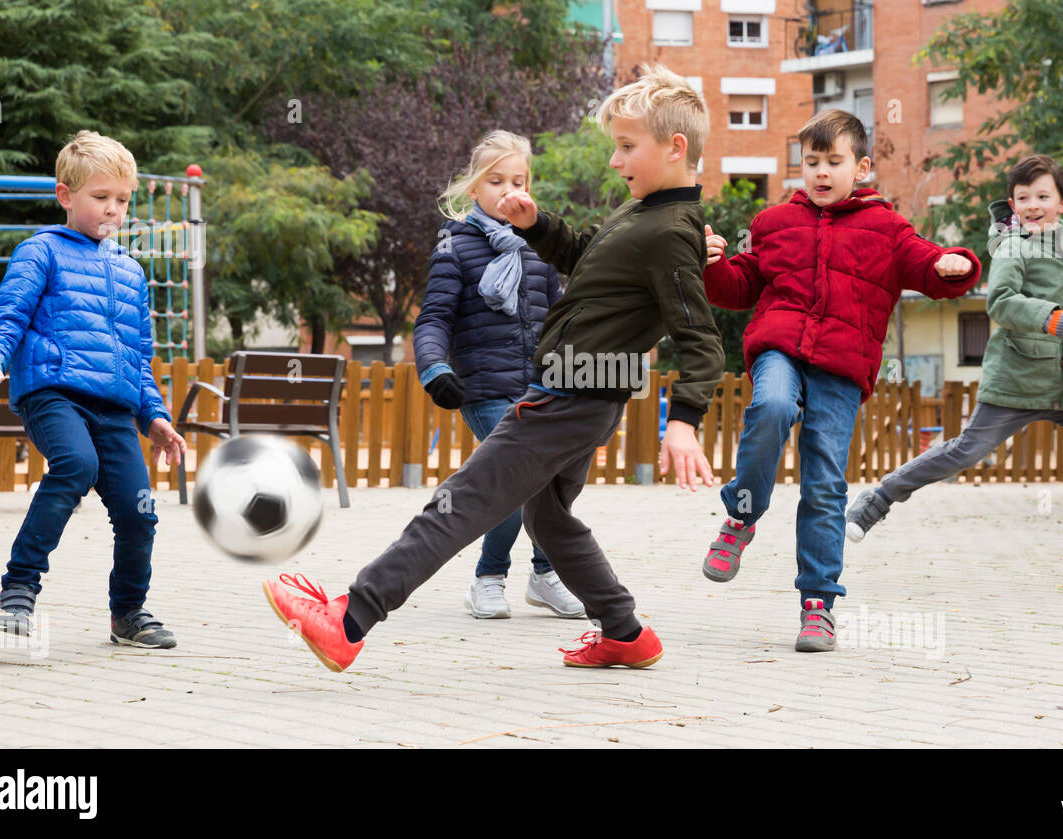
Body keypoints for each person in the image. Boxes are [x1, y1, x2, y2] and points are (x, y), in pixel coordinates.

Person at [263, 64, 725, 673]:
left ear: (676, 148)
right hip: (584, 398)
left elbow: (701, 338)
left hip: (568, 398)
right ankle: (625, 631)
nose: (615, 161)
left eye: (625, 147)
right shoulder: (645, 216)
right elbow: (587, 255)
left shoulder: (667, 230)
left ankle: (350, 618)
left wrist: (685, 419)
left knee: (461, 501)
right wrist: (536, 225)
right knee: (549, 517)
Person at [701, 109, 982, 651]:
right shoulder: (773, 222)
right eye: (812, 162)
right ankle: (741, 516)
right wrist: (713, 264)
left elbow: (931, 265)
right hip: (780, 347)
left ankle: (818, 605)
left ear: (862, 166)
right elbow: (738, 289)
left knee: (825, 482)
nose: (822, 173)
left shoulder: (887, 229)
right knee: (772, 407)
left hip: (842, 367)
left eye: (834, 162)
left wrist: (957, 264)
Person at [846, 153, 1063, 573]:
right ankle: (878, 499)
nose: (1032, 206)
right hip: (1016, 379)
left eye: (1043, 196)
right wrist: (1050, 317)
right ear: (1012, 203)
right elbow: (1000, 302)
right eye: (1022, 198)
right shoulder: (1013, 245)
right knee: (965, 452)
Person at [0, 130, 187, 648]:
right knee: (76, 464)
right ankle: (17, 590)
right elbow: (7, 315)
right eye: (100, 198)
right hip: (53, 394)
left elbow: (138, 359)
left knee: (140, 510)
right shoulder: (40, 251)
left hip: (114, 407)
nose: (113, 210)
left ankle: (129, 614)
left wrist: (153, 417)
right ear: (66, 196)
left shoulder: (131, 273)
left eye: (122, 200)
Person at [415, 129, 584, 621]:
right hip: (484, 388)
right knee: (514, 478)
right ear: (474, 189)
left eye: (519, 180)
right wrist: (435, 368)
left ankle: (544, 575)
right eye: (496, 181)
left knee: (550, 484)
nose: (508, 190)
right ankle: (488, 579)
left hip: (538, 385)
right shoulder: (455, 246)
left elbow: (559, 318)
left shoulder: (537, 246)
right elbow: (433, 319)